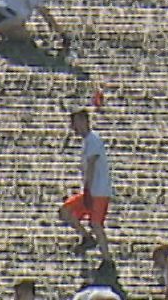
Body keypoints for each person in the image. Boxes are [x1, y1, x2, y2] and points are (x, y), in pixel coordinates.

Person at [60, 107, 115, 251]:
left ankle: (107, 260)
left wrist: (87, 190)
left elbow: (91, 165)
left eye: (74, 123)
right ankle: (87, 238)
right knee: (65, 211)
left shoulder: (93, 141)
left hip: (98, 191)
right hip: (91, 190)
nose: (73, 127)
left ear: (83, 121)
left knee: (96, 224)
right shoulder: (88, 141)